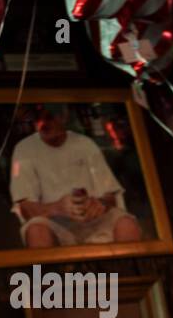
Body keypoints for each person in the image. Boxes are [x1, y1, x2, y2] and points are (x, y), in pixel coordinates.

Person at [8, 105, 143, 248]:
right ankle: (45, 271)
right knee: (36, 231)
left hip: (95, 219)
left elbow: (110, 194)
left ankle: (133, 269)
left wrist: (98, 204)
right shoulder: (24, 150)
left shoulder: (85, 144)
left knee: (126, 224)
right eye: (37, 119)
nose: (43, 124)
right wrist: (57, 208)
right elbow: (26, 208)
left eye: (49, 117)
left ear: (64, 116)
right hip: (54, 222)